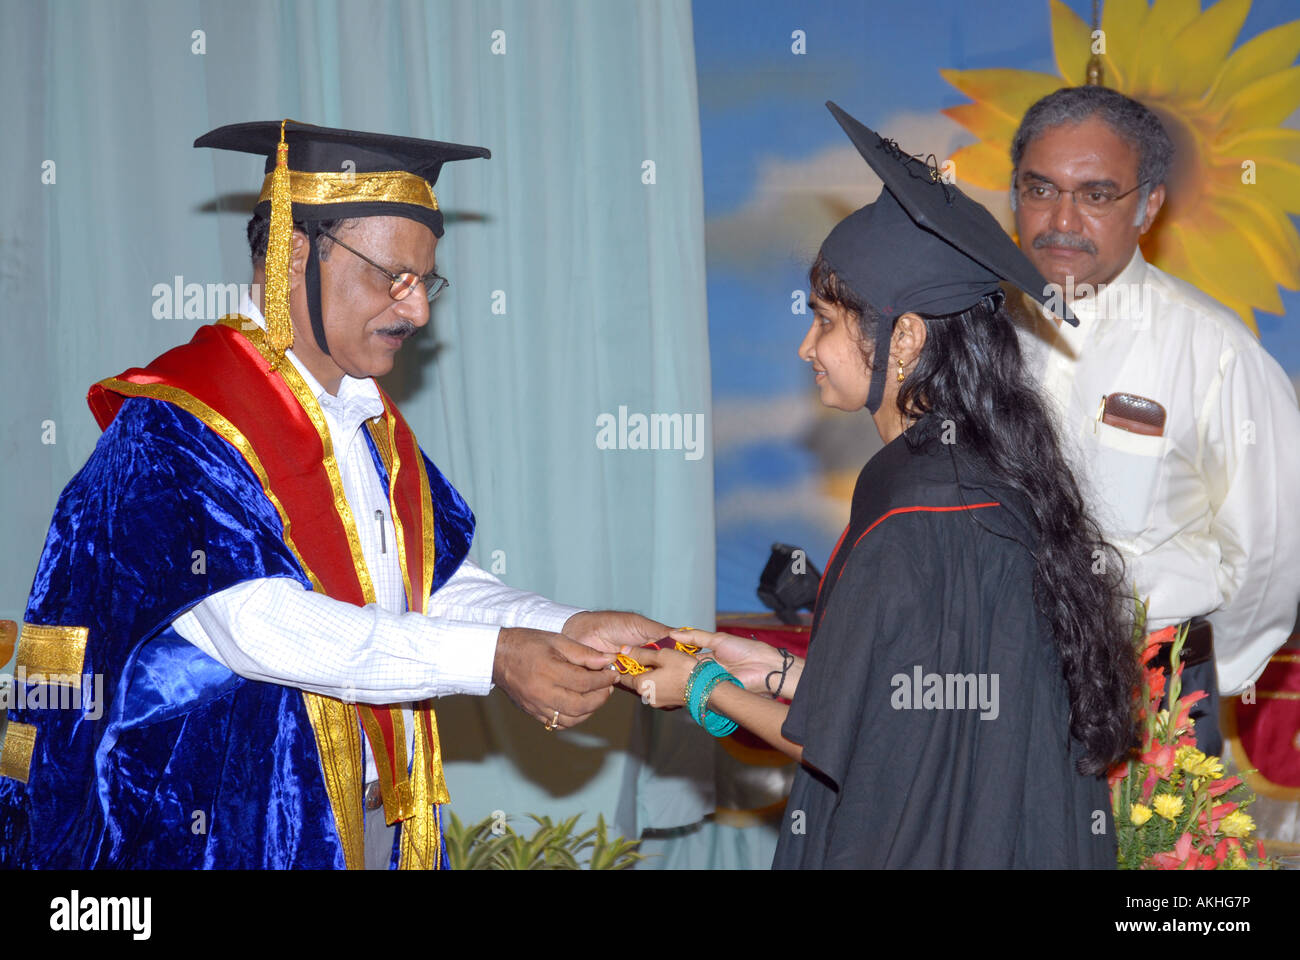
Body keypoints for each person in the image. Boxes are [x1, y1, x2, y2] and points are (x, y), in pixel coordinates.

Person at [0, 120, 666, 870]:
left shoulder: (364, 418)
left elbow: (425, 587)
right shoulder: (175, 426)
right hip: (229, 831)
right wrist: (495, 658)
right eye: (393, 277)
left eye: (425, 283)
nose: (416, 312)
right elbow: (258, 623)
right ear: (293, 255)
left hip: (381, 817)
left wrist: (563, 626)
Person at [621, 102, 1137, 869]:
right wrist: (779, 670)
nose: (805, 345)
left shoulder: (917, 512)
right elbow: (928, 703)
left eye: (825, 319)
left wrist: (701, 687)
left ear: (905, 338)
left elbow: (858, 751)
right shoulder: (983, 480)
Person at [1005, 85, 1300, 756]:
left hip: (1155, 701)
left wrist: (1204, 671)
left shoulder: (1214, 352)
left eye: (1097, 195)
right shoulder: (976, 335)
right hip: (995, 690)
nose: (1063, 220)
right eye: (1040, 188)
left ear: (1149, 206)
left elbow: (1274, 549)